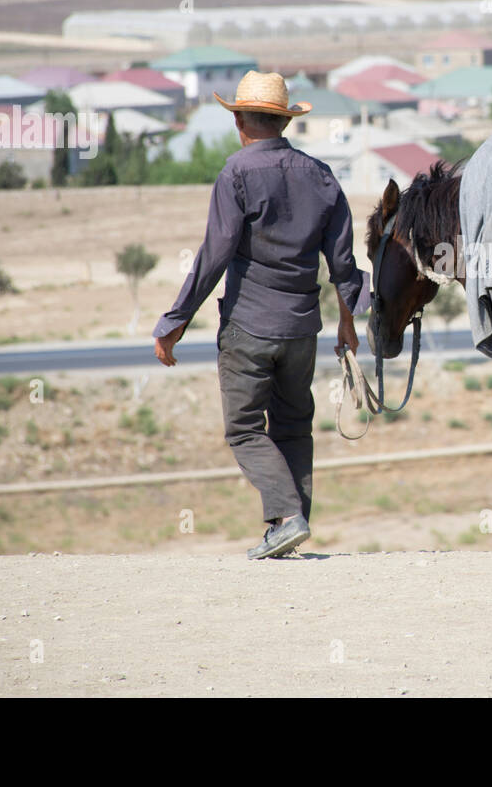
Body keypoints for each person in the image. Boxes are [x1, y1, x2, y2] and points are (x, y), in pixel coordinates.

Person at [153, 71, 365, 560]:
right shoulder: (322, 175)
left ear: (239, 120)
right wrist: (349, 323)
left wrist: (175, 321)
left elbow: (215, 253)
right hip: (302, 329)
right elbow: (344, 264)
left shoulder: (235, 174)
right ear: (283, 121)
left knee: (245, 429)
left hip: (249, 325)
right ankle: (289, 527)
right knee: (293, 426)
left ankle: (287, 519)